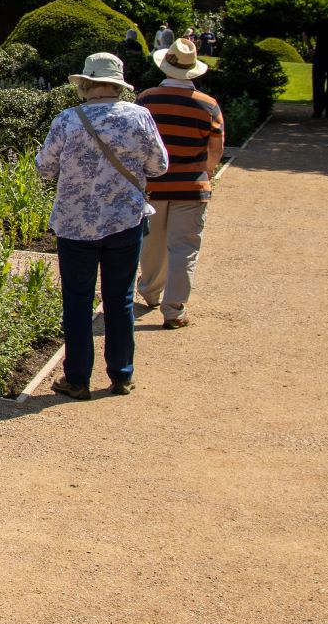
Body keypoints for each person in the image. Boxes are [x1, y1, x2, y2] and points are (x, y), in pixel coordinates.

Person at [35, 52, 170, 398]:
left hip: (75, 223)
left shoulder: (67, 119)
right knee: (120, 298)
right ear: (118, 85)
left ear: (86, 84)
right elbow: (159, 166)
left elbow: (45, 168)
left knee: (77, 301)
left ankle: (77, 379)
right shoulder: (139, 117)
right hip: (125, 220)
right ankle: (121, 374)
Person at [137, 39, 224, 330]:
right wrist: (206, 172)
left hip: (152, 185)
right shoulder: (208, 105)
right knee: (184, 249)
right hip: (191, 186)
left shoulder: (147, 99)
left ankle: (150, 292)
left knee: (151, 243)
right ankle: (174, 310)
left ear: (165, 66)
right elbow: (216, 147)